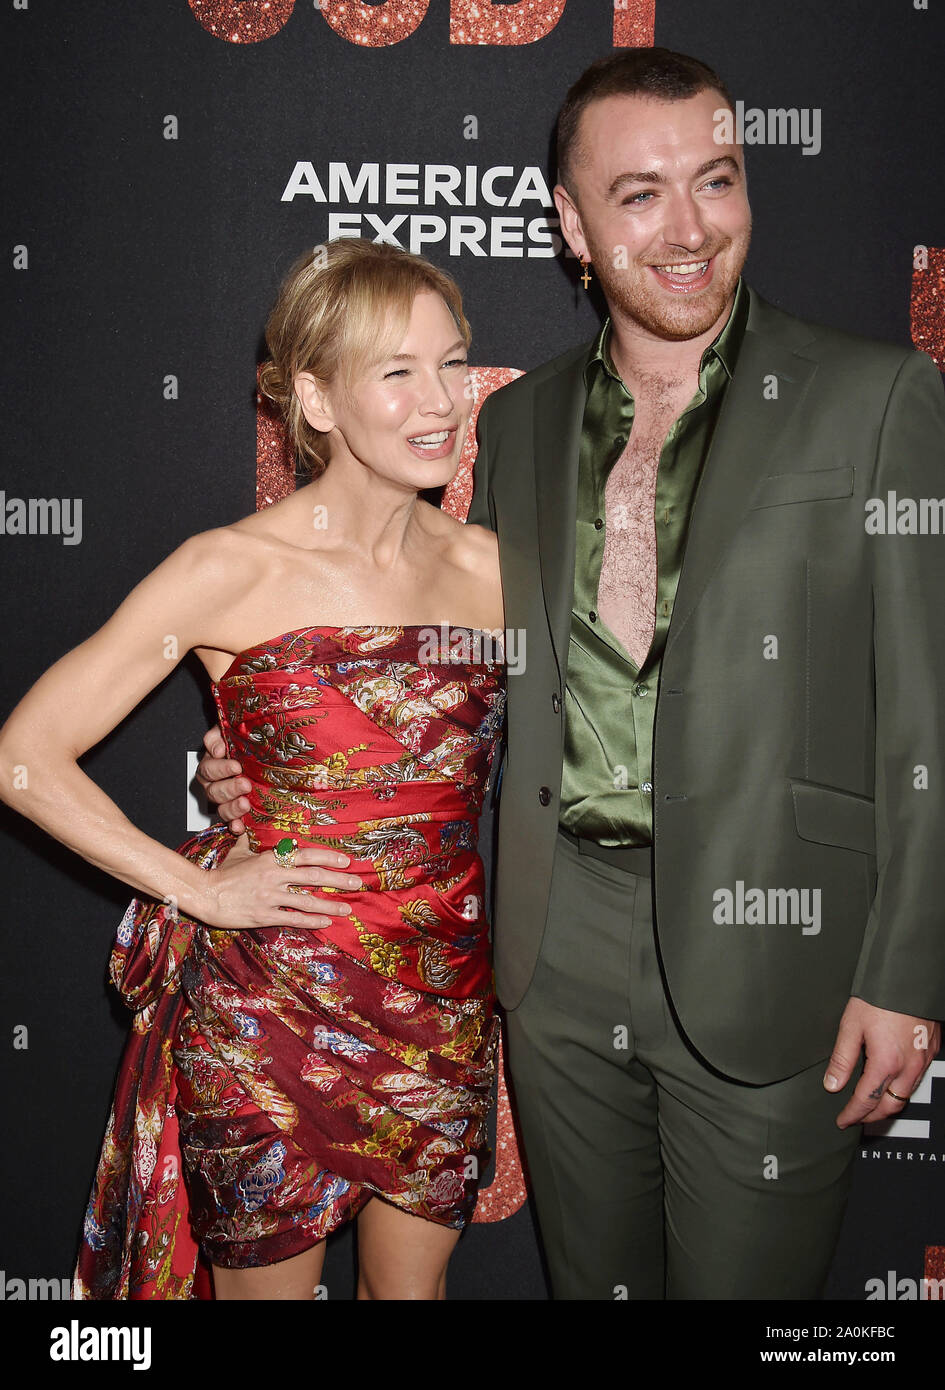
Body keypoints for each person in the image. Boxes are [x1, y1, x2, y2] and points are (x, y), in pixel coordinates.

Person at [200, 49, 945, 1301]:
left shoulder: (877, 397)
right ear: (573, 224)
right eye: (641, 194)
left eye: (717, 180)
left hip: (782, 943)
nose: (690, 229)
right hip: (554, 951)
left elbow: (929, 704)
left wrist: (910, 970)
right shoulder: (519, 420)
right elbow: (450, 655)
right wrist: (271, 751)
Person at [0, 238, 507, 1301]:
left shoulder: (495, 572)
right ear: (315, 400)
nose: (441, 401)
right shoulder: (229, 568)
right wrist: (197, 885)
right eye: (397, 371)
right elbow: (24, 758)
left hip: (439, 1005)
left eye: (452, 362)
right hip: (269, 1013)